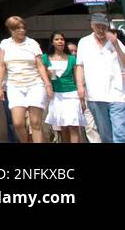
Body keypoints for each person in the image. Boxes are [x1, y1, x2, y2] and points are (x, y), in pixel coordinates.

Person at [0, 16, 53, 143]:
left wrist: (48, 84)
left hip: (35, 85)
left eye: (23, 28)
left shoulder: (32, 43)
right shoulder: (5, 44)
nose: (22, 30)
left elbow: (39, 65)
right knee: (17, 123)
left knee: (35, 122)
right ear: (11, 30)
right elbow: (2, 65)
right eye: (18, 28)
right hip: (14, 86)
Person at [75, 14, 125, 143]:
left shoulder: (115, 41)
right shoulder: (84, 42)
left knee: (120, 134)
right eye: (98, 26)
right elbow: (79, 66)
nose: (101, 29)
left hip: (117, 94)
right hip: (95, 96)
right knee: (105, 136)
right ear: (92, 25)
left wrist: (116, 45)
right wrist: (80, 86)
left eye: (104, 26)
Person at [42, 32, 82, 144]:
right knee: (63, 127)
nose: (60, 41)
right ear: (52, 42)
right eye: (57, 39)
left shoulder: (71, 58)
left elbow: (77, 77)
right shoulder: (45, 58)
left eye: (62, 39)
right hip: (56, 95)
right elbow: (42, 74)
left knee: (73, 126)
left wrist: (81, 94)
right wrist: (48, 77)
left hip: (72, 94)